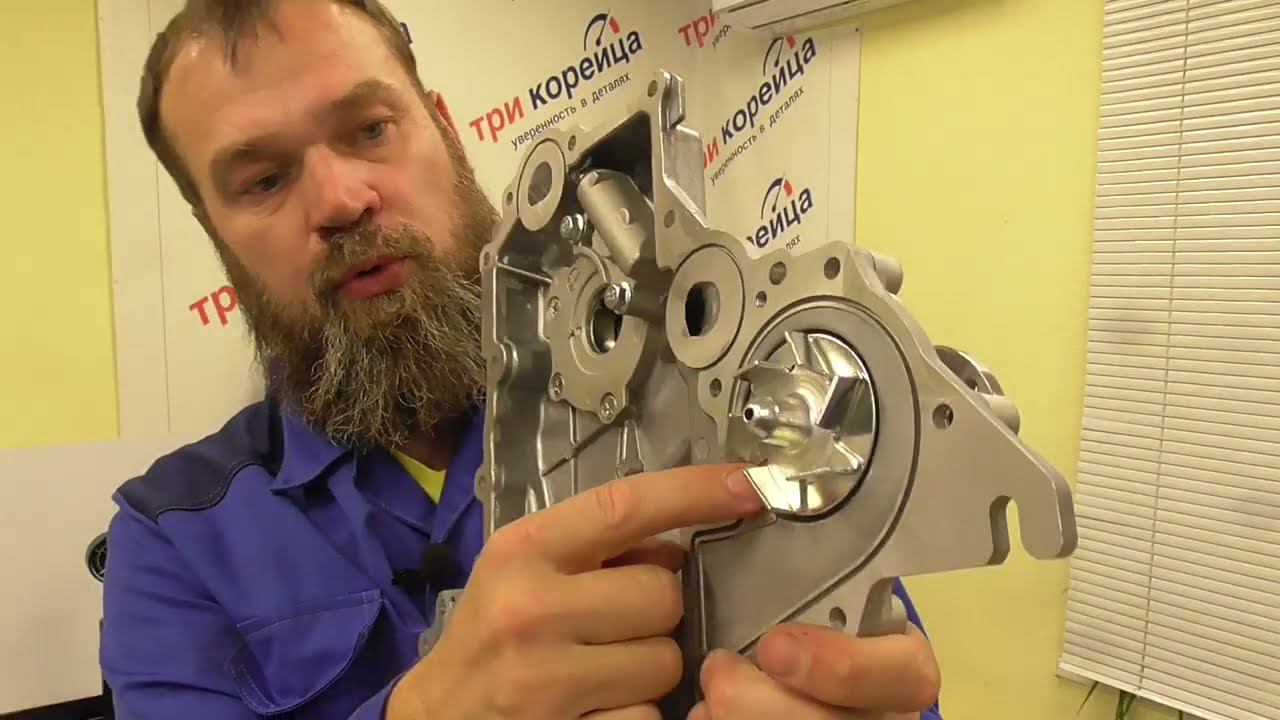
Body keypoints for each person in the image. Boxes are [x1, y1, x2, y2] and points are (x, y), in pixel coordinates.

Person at [99, 1, 944, 718]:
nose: (341, 200)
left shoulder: (715, 401)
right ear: (217, 236)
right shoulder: (174, 543)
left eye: (370, 130)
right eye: (262, 181)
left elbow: (868, 662)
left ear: (449, 135)